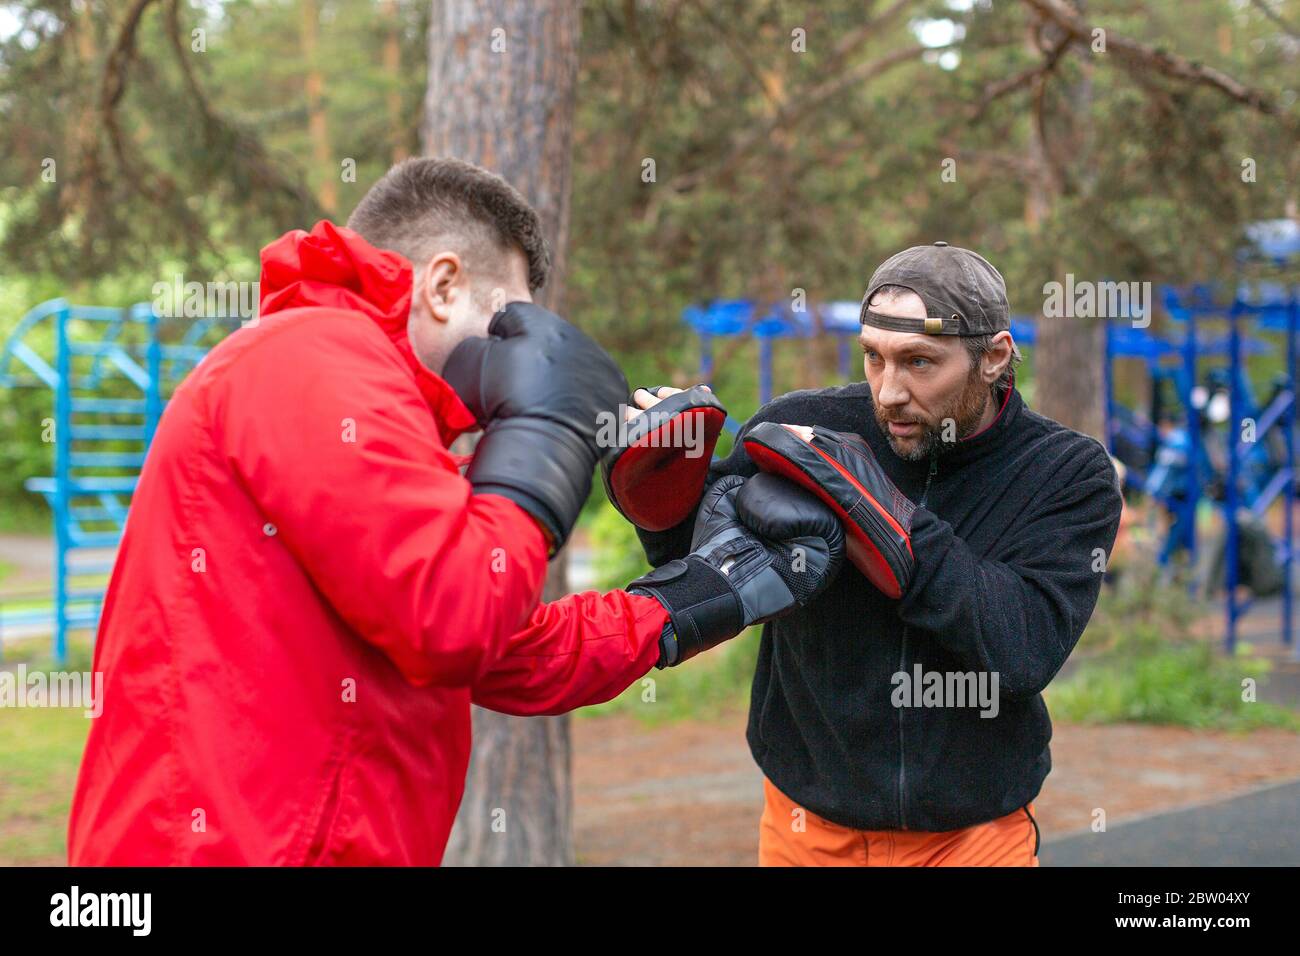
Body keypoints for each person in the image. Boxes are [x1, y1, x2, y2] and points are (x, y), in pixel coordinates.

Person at [67, 157, 843, 866]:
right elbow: (456, 615)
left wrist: (704, 593)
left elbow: (510, 649)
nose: (517, 358)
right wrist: (550, 431)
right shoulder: (310, 355)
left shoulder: (364, 409)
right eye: (509, 322)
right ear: (441, 286)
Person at [624, 242, 1124, 866]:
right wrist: (660, 497)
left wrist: (884, 513)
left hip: (969, 838)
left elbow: (1022, 648)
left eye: (919, 362)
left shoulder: (1065, 472)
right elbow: (705, 568)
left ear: (993, 357)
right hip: (805, 826)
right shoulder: (801, 426)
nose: (889, 393)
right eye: (874, 358)